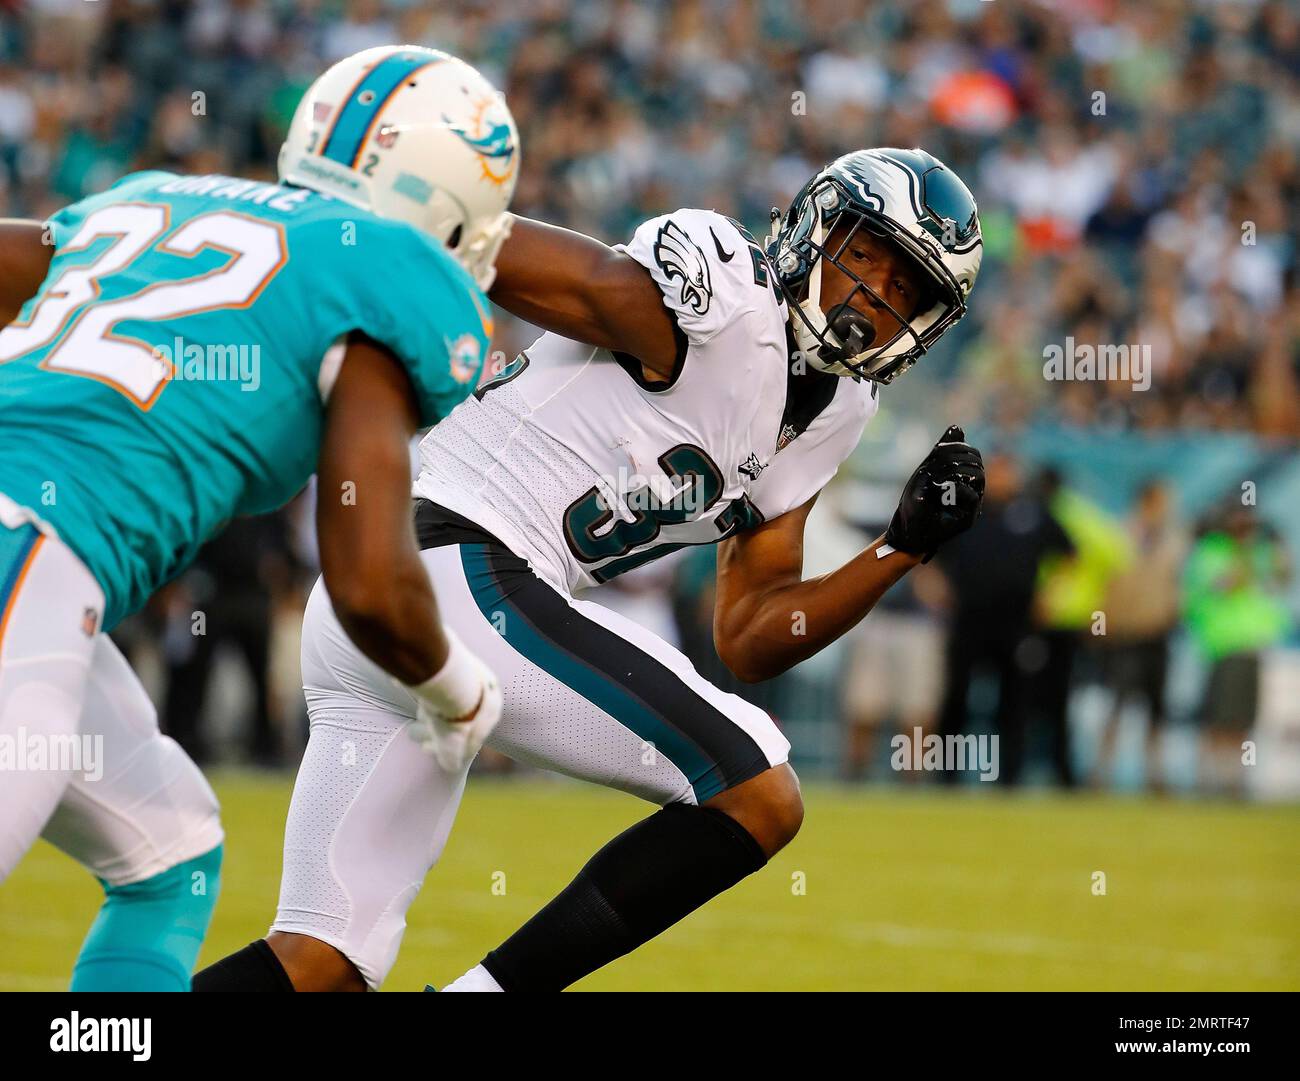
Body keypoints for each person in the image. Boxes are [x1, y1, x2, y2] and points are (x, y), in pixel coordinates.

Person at [195, 147, 987, 992]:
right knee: (760, 788)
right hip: (457, 565)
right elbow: (527, 263)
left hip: (399, 605)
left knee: (320, 967)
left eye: (910, 289)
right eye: (870, 255)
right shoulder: (728, 298)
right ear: (816, 223)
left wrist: (896, 550)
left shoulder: (838, 410)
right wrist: (374, 227)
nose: (878, 295)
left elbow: (752, 634)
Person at [0, 45, 516, 989]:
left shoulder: (154, 199)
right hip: (29, 551)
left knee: (168, 850)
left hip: (45, 573)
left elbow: (16, 261)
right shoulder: (389, 276)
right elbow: (368, 583)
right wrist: (459, 691)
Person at [932, 451, 1072, 785]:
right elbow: (930, 556)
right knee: (956, 698)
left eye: (1006, 470)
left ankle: (1010, 776)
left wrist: (1048, 595)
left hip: (1016, 623)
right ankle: (946, 777)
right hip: (968, 620)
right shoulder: (962, 510)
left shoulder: (1034, 514)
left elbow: (1069, 556)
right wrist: (937, 590)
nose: (1001, 478)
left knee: (1015, 700)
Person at [1183, 503, 1292, 796]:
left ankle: (1234, 780)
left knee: (1242, 719)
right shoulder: (1212, 551)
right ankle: (1208, 779)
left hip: (1251, 646)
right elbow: (1225, 584)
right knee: (1220, 719)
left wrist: (1277, 550)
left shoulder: (1256, 551)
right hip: (1224, 646)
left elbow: (1283, 578)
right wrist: (1248, 554)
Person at [1092, 480, 1187, 792]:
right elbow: (1104, 584)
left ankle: (1155, 774)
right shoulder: (1119, 534)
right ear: (1148, 501)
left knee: (1156, 708)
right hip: (1125, 632)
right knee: (1117, 703)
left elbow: (1177, 586)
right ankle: (1101, 772)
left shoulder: (1174, 539)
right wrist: (1101, 626)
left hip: (1157, 632)